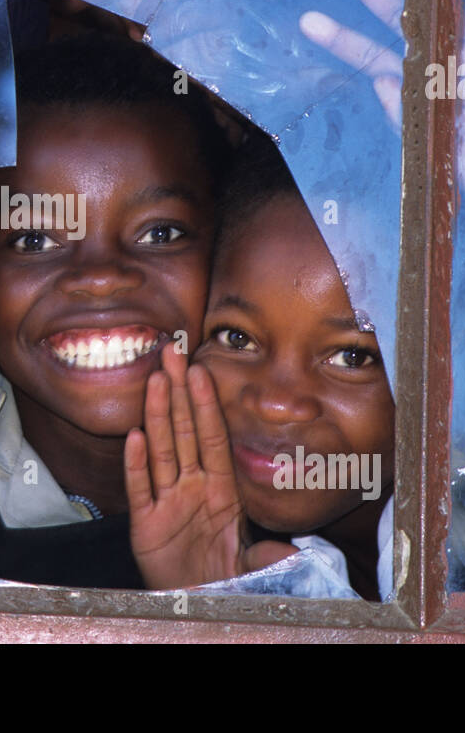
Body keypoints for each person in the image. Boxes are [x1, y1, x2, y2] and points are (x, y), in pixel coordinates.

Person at [0, 33, 230, 587]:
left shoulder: (293, 473)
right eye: (35, 239)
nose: (99, 277)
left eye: (160, 232)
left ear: (225, 243)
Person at [126, 132, 396, 601]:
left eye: (353, 357)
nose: (274, 403)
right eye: (237, 338)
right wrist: (205, 608)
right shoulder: (192, 541)